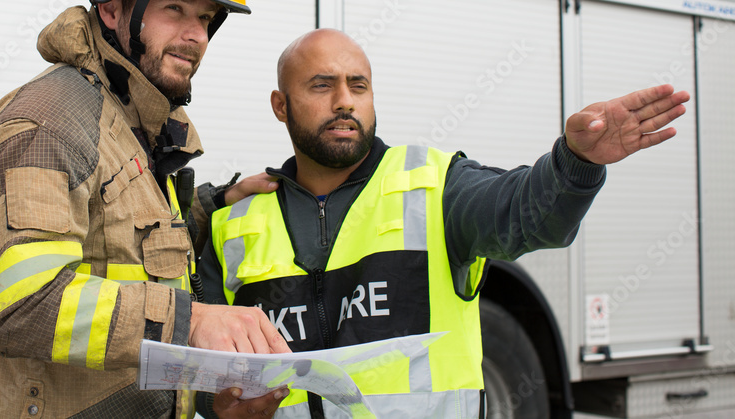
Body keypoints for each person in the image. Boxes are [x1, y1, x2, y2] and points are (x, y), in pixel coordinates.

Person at [199, 28, 690, 418]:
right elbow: (203, 378)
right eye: (322, 85)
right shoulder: (233, 223)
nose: (344, 101)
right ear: (280, 105)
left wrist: (575, 162)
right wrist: (222, 410)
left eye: (359, 85)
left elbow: (527, 217)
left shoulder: (435, 185)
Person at [0, 0, 290, 419]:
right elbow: (14, 303)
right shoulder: (50, 124)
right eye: (175, 9)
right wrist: (190, 322)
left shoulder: (135, 125)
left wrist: (214, 206)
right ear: (112, 11)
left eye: (205, 18)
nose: (195, 36)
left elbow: (120, 247)